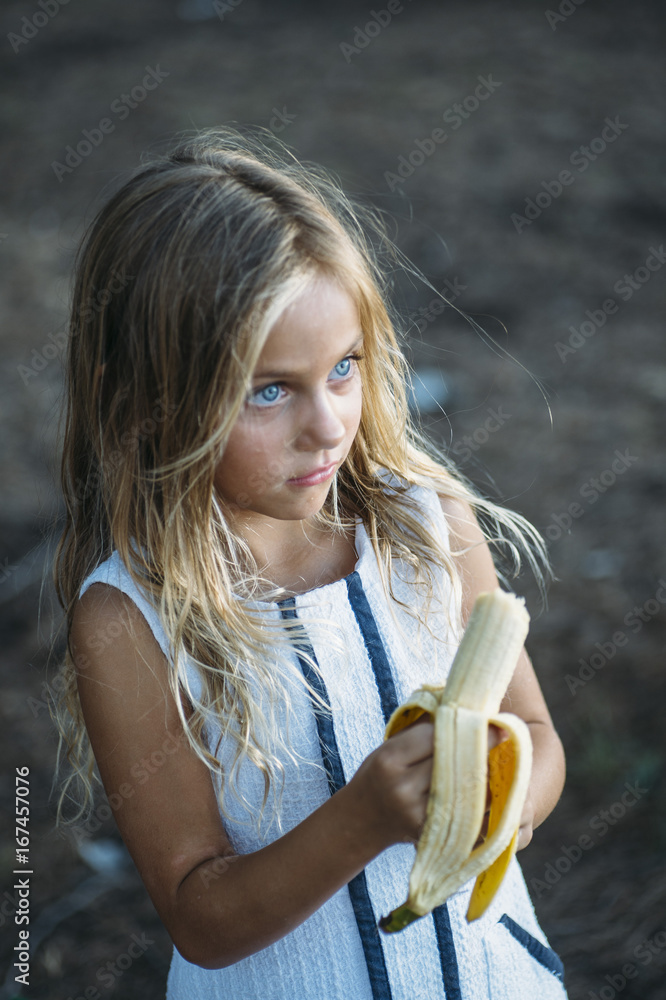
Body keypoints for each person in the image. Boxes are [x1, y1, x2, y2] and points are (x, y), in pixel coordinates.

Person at [51, 125, 568, 998]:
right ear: (141, 401)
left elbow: (540, 739)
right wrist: (364, 820)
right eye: (269, 390)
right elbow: (199, 917)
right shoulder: (130, 618)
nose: (329, 424)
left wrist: (496, 805)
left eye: (344, 368)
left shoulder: (430, 528)